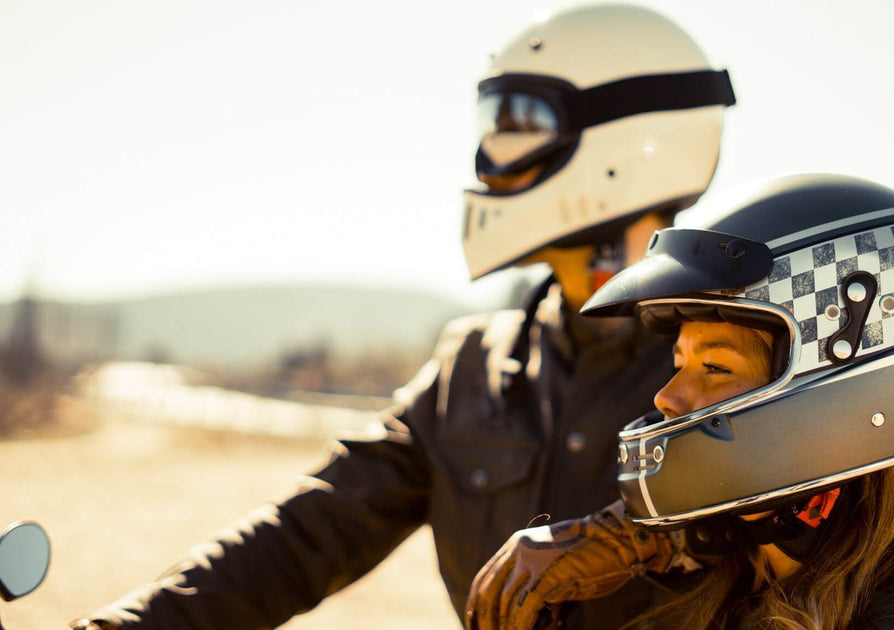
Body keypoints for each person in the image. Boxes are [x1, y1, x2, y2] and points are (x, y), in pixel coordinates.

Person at [70, 4, 737, 629]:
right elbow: (305, 536)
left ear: (632, 140)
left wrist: (636, 536)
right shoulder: (469, 367)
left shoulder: (736, 363)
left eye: (522, 118)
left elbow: (807, 541)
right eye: (493, 121)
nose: (493, 154)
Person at [466, 173, 894, 629]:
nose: (666, 396)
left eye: (715, 367)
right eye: (679, 363)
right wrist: (642, 541)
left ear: (852, 384)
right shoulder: (746, 570)